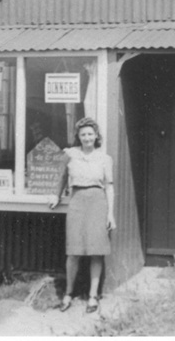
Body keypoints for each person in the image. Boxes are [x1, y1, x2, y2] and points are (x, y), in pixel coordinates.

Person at [49, 117, 116, 313]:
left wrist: (110, 214)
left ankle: (93, 296)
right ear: (78, 136)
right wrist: (55, 195)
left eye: (90, 134)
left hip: (98, 202)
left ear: (96, 136)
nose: (87, 138)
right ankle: (68, 293)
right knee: (74, 251)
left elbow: (109, 187)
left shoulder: (105, 158)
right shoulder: (70, 154)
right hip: (77, 201)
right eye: (83, 134)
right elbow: (61, 178)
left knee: (96, 251)